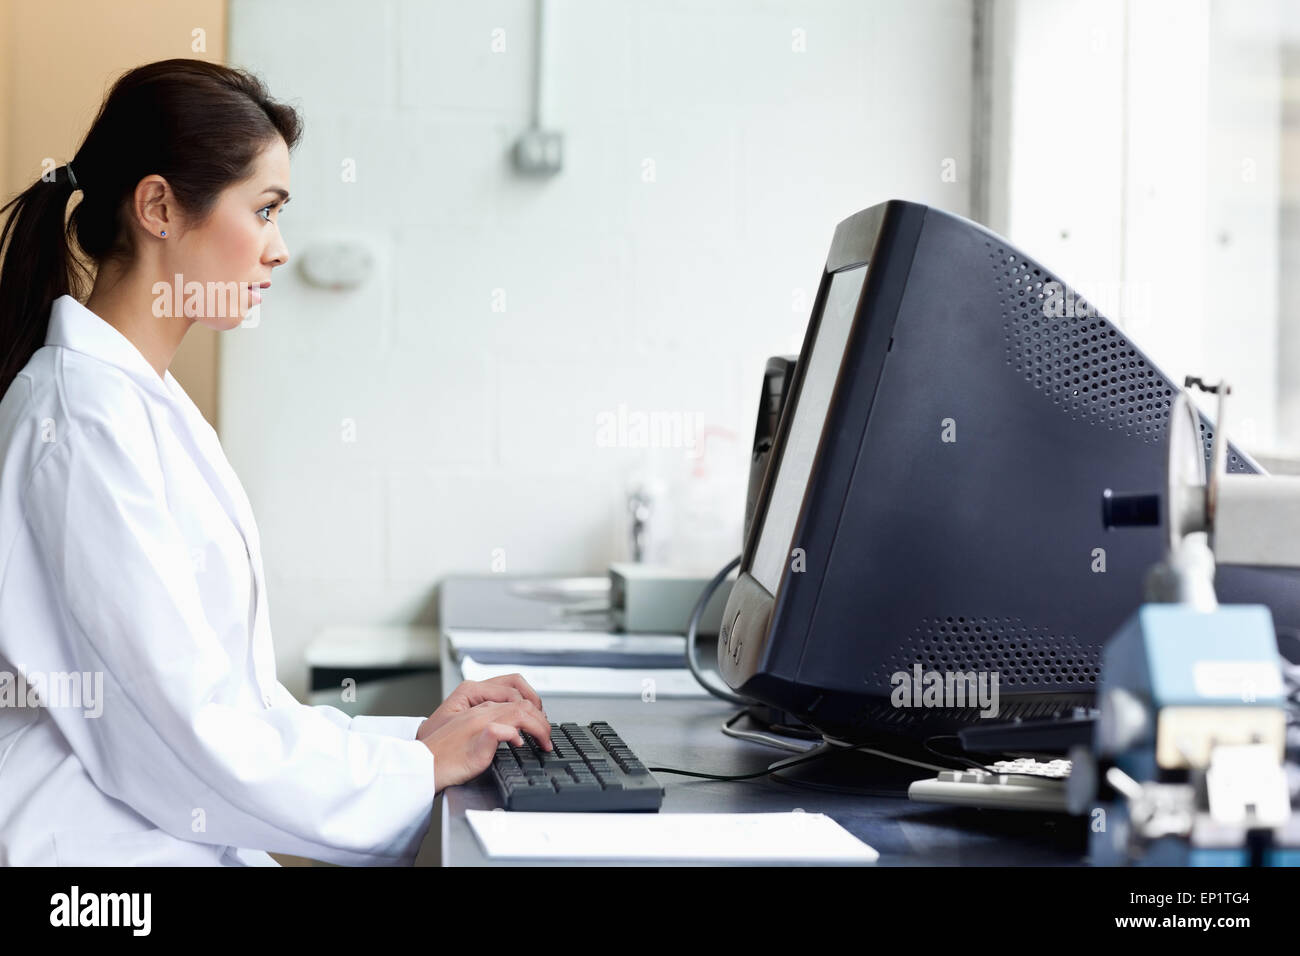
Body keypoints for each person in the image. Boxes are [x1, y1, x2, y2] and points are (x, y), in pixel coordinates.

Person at [0, 59, 550, 866]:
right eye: (264, 211)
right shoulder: (81, 422)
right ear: (157, 207)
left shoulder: (136, 403)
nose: (279, 251)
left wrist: (417, 742)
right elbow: (183, 733)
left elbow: (232, 708)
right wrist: (412, 768)